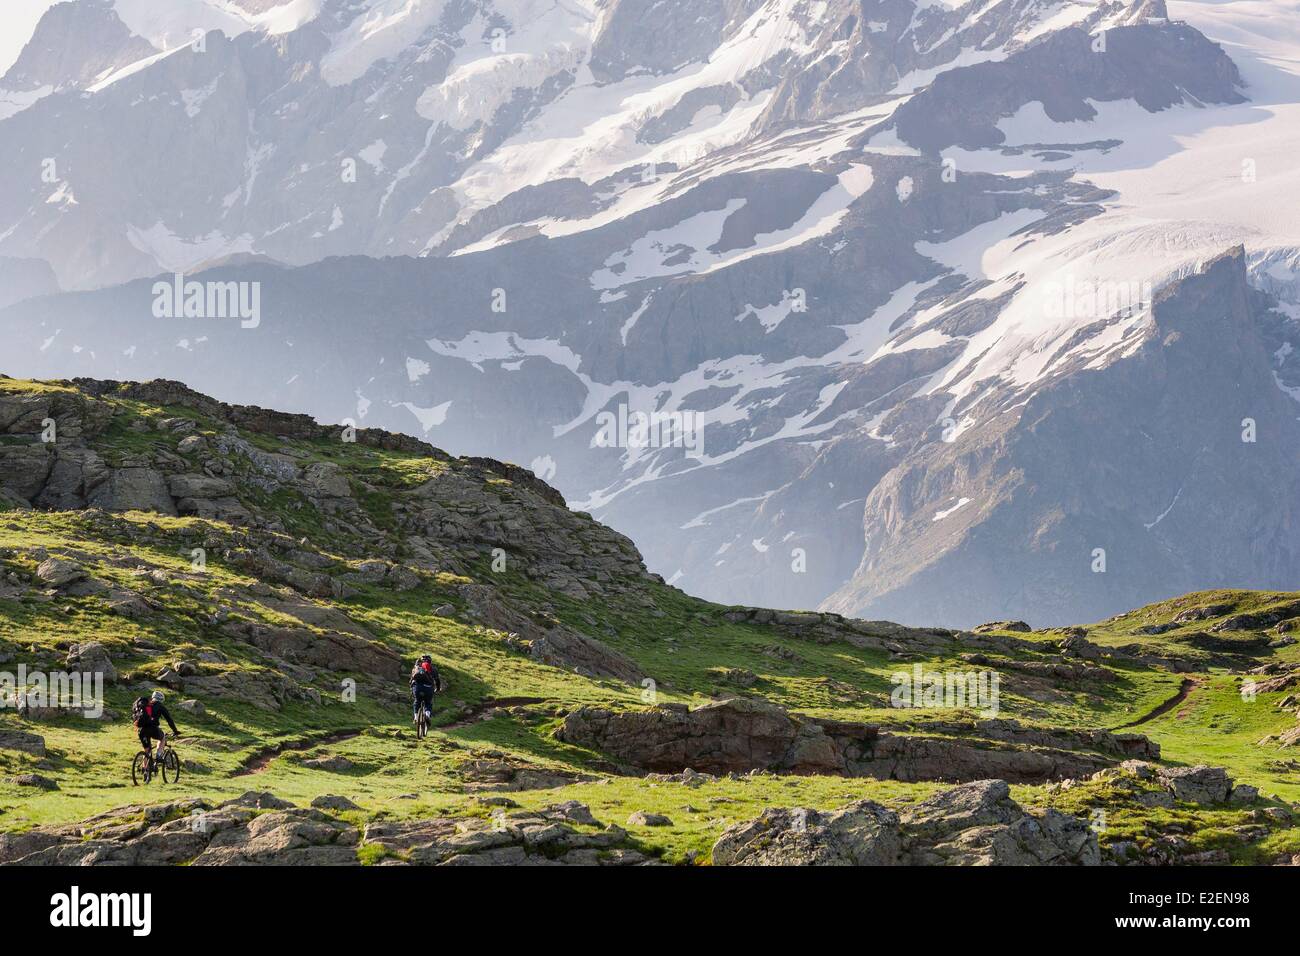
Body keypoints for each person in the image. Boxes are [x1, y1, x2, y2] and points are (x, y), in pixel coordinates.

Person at [133, 689, 179, 765]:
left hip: (141, 731)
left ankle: (145, 770)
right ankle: (158, 756)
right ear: (161, 700)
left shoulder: (145, 705)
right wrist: (175, 731)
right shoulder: (160, 706)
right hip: (153, 729)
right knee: (162, 737)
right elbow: (169, 720)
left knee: (147, 751)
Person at [410, 654, 442, 723]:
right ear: (430, 661)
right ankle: (427, 715)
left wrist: (412, 688)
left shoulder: (416, 668)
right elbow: (437, 681)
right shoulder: (433, 669)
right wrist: (438, 689)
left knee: (417, 701)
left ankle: (415, 717)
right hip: (428, 688)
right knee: (428, 702)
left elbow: (411, 680)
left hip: (417, 688)